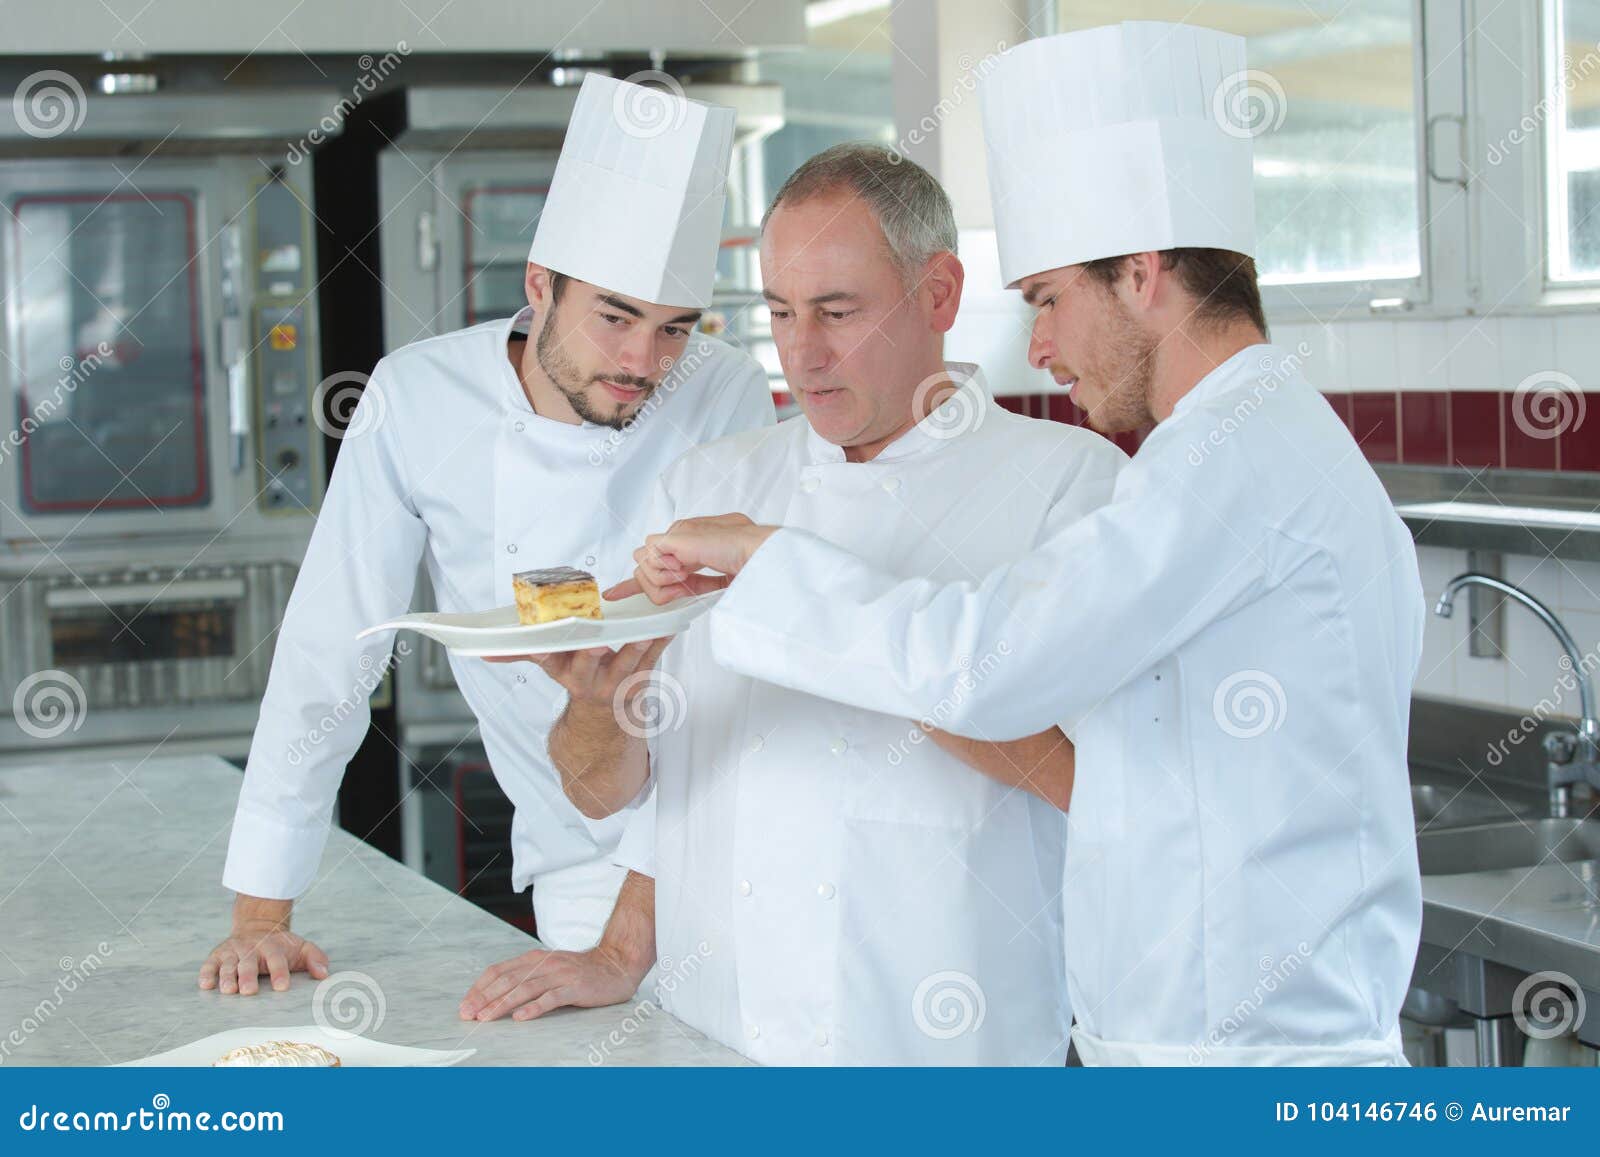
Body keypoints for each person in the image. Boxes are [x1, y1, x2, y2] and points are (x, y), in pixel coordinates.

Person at [613, 23, 1426, 1066]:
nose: (1036, 345)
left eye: (1046, 298)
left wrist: (765, 554)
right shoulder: (1244, 445)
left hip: (1252, 1058)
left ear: (1141, 276)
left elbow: (979, 663)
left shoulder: (1227, 463)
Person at [474, 144, 1125, 1062]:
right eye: (779, 311)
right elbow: (611, 792)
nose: (801, 353)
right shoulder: (712, 486)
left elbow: (1085, 781)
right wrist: (593, 707)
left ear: (938, 293)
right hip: (716, 1042)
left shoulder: (1069, 489)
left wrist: (803, 597)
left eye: (837, 311)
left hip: (945, 1052)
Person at [201, 74, 775, 1013]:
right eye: (616, 317)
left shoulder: (725, 390)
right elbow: (331, 644)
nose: (644, 364)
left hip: (723, 846)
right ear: (539, 285)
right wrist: (261, 911)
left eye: (675, 329)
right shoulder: (418, 398)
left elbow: (728, 692)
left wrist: (633, 943)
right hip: (573, 869)